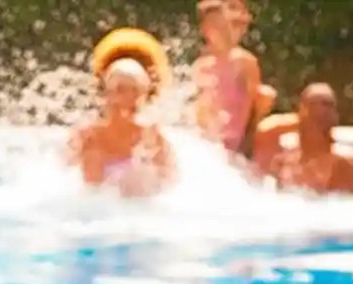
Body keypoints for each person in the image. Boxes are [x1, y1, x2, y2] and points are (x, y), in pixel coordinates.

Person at [69, 28, 174, 197]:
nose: (122, 98)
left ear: (142, 95)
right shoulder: (87, 137)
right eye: (117, 90)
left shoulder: (152, 138)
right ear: (105, 93)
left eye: (132, 90)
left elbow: (170, 187)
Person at [194, 0, 272, 158]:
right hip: (208, 143)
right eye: (214, 23)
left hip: (236, 146)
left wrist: (246, 148)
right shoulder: (201, 66)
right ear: (204, 29)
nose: (221, 28)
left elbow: (256, 107)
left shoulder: (243, 61)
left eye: (223, 22)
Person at [256, 83, 353, 195]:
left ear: (334, 118)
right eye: (313, 108)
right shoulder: (283, 159)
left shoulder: (346, 163)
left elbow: (341, 207)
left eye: (326, 106)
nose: (320, 111)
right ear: (299, 116)